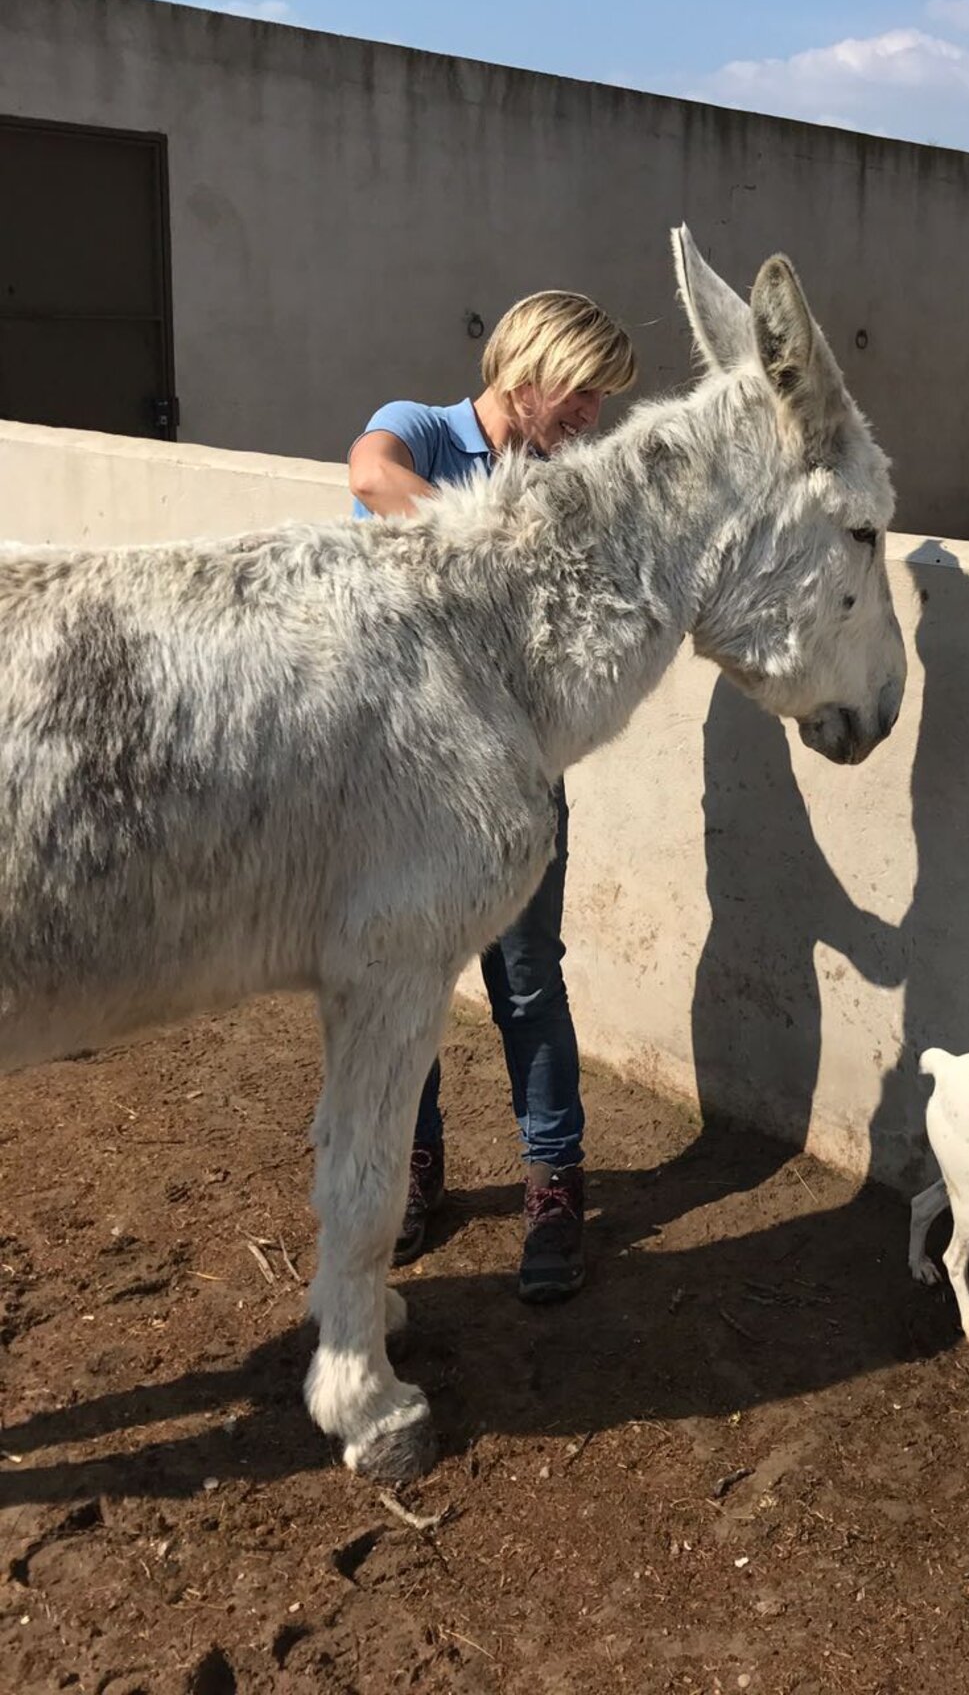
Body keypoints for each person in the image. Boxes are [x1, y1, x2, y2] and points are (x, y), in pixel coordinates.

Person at [347, 291, 638, 1299]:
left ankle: (555, 1185)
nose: (594, 415)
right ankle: (419, 1169)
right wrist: (487, 547)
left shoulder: (571, 482)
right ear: (534, 363)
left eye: (604, 399)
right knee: (410, 982)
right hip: (408, 781)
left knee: (525, 983)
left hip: (520, 783)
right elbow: (369, 474)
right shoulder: (424, 429)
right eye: (587, 388)